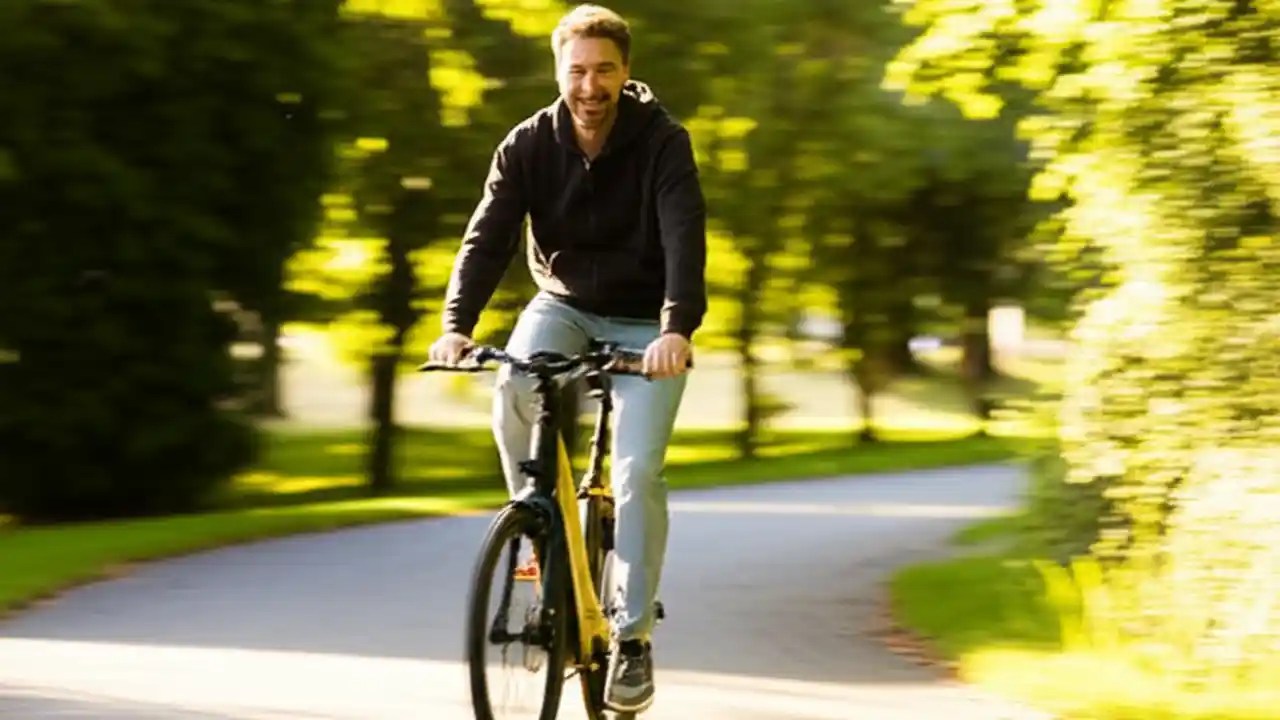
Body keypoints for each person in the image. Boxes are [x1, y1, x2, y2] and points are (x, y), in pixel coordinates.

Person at [425, 3, 707, 713]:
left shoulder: (663, 142)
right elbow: (485, 239)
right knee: (513, 391)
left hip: (647, 321)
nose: (589, 86)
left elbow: (684, 237)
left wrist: (676, 328)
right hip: (564, 305)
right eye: (576, 70)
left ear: (626, 72)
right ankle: (543, 537)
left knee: (638, 470)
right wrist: (456, 326)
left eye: (604, 70)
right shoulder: (527, 144)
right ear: (558, 71)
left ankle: (633, 639)